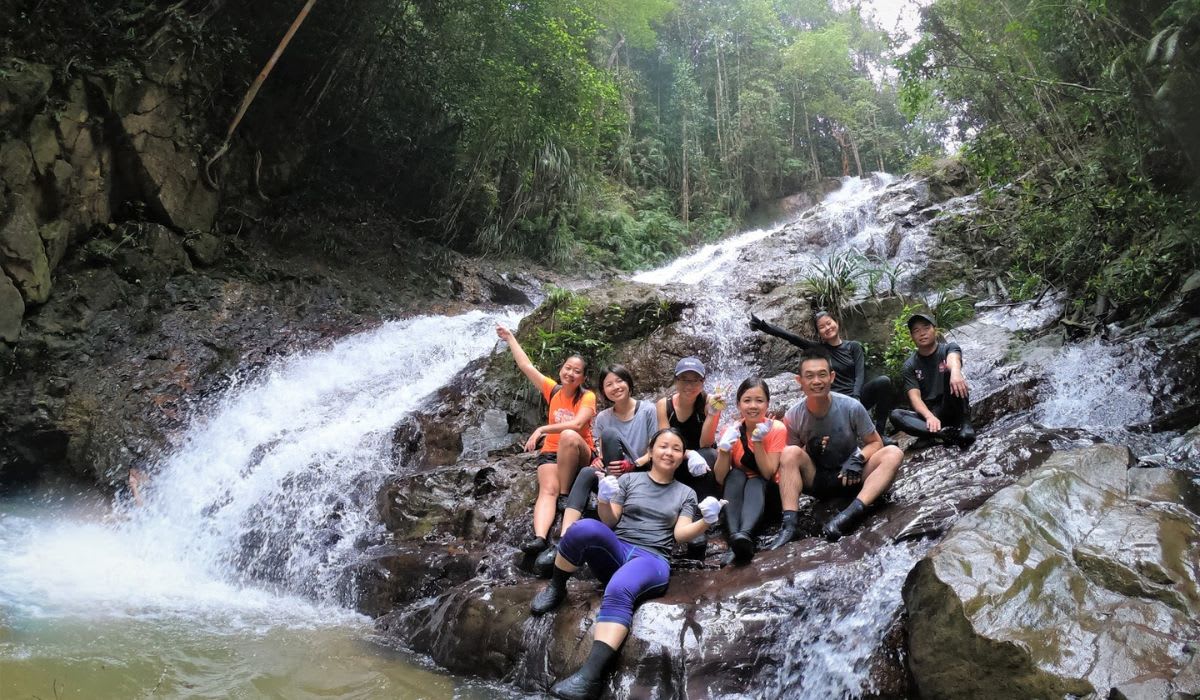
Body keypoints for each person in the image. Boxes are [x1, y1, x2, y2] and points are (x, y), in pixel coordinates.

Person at [530, 428, 725, 700]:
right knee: (583, 527)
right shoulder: (630, 480)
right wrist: (603, 499)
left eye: (676, 449)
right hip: (618, 548)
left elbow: (680, 535)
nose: (669, 452)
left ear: (682, 457)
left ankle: (589, 678)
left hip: (651, 558)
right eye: (663, 446)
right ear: (652, 451)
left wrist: (706, 521)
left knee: (620, 587)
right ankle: (557, 587)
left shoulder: (685, 493)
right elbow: (610, 521)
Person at [770, 348, 906, 546]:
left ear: (832, 377)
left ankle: (848, 516)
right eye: (810, 376)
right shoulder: (793, 416)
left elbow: (875, 442)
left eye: (822, 374)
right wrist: (810, 450)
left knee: (893, 453)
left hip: (850, 476)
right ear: (800, 381)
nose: (817, 381)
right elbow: (790, 459)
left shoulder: (851, 407)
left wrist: (857, 459)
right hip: (817, 480)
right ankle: (790, 526)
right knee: (789, 453)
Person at [538, 365, 661, 572]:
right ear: (603, 392)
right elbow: (604, 453)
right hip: (614, 473)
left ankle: (614, 495)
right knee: (587, 471)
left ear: (629, 383)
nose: (615, 387)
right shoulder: (603, 417)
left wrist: (634, 463)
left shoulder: (648, 409)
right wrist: (599, 460)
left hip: (640, 471)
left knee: (611, 434)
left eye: (619, 381)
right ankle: (564, 540)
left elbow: (655, 448)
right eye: (609, 384)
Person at [496, 324, 597, 556]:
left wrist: (543, 429)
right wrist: (510, 337)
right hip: (551, 453)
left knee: (569, 435)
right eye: (567, 368)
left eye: (576, 371)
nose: (570, 373)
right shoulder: (553, 390)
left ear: (583, 377)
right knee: (546, 490)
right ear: (561, 369)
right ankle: (540, 538)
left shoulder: (587, 397)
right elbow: (526, 366)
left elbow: (578, 425)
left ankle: (565, 496)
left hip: (579, 451)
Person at [750, 311, 894, 438]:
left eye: (829, 323)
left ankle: (880, 433)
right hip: (834, 401)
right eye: (822, 327)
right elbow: (791, 337)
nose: (827, 328)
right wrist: (763, 326)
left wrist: (856, 398)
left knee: (884, 382)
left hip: (857, 396)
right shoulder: (820, 350)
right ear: (819, 333)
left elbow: (860, 374)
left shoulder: (853, 347)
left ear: (836, 322)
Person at [713, 377, 788, 565]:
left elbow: (767, 472)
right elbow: (720, 477)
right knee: (736, 474)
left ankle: (745, 535)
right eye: (747, 400)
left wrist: (758, 441)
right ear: (738, 404)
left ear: (767, 404)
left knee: (755, 480)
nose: (753, 406)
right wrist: (723, 450)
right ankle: (736, 540)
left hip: (769, 494)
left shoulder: (776, 428)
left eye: (759, 400)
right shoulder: (730, 431)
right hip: (740, 495)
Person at [656, 357, 724, 557]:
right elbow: (664, 442)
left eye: (695, 380)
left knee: (709, 454)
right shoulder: (664, 405)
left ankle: (700, 518)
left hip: (702, 467)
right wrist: (688, 454)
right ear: (676, 381)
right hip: (674, 462)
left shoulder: (710, 401)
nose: (690, 385)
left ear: (702, 382)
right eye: (684, 379)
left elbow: (705, 443)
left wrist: (712, 415)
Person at [888, 312, 975, 448]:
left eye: (926, 328)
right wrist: (929, 416)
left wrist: (956, 372)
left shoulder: (948, 348)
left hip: (951, 403)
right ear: (912, 337)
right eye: (916, 331)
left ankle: (965, 424)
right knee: (896, 415)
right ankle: (942, 434)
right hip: (931, 415)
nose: (922, 333)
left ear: (935, 329)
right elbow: (915, 397)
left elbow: (953, 359)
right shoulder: (909, 365)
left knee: (950, 372)